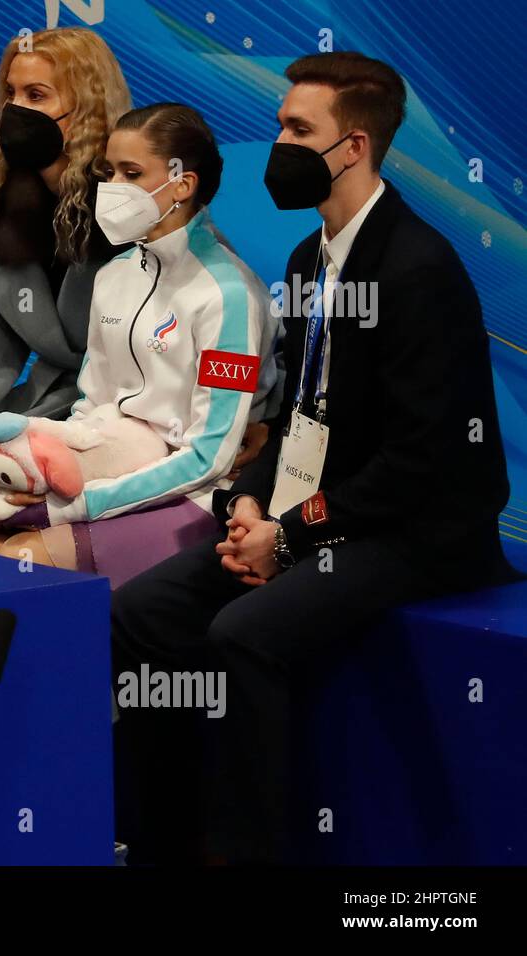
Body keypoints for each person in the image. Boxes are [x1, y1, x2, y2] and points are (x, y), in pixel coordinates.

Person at [109, 51, 514, 865]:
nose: (279, 143)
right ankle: (156, 844)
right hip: (322, 514)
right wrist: (250, 504)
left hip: (417, 532)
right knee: (141, 611)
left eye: (299, 129)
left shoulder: (418, 271)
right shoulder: (307, 263)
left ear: (354, 147)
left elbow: (421, 465)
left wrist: (292, 537)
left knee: (242, 635)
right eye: (281, 124)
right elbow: (297, 414)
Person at [0, 28, 263, 543]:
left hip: (140, 436)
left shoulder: (143, 214)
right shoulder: (4, 216)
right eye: (11, 95)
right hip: (57, 419)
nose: (16, 110)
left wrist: (259, 421)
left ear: (87, 109)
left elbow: (231, 331)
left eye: (37, 95)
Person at [0, 103, 284, 588]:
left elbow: (212, 455)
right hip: (114, 469)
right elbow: (90, 406)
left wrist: (83, 503)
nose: (112, 187)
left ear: (183, 184)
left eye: (131, 173)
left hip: (197, 494)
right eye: (109, 171)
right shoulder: (113, 276)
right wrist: (60, 476)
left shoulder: (228, 295)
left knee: (15, 562)